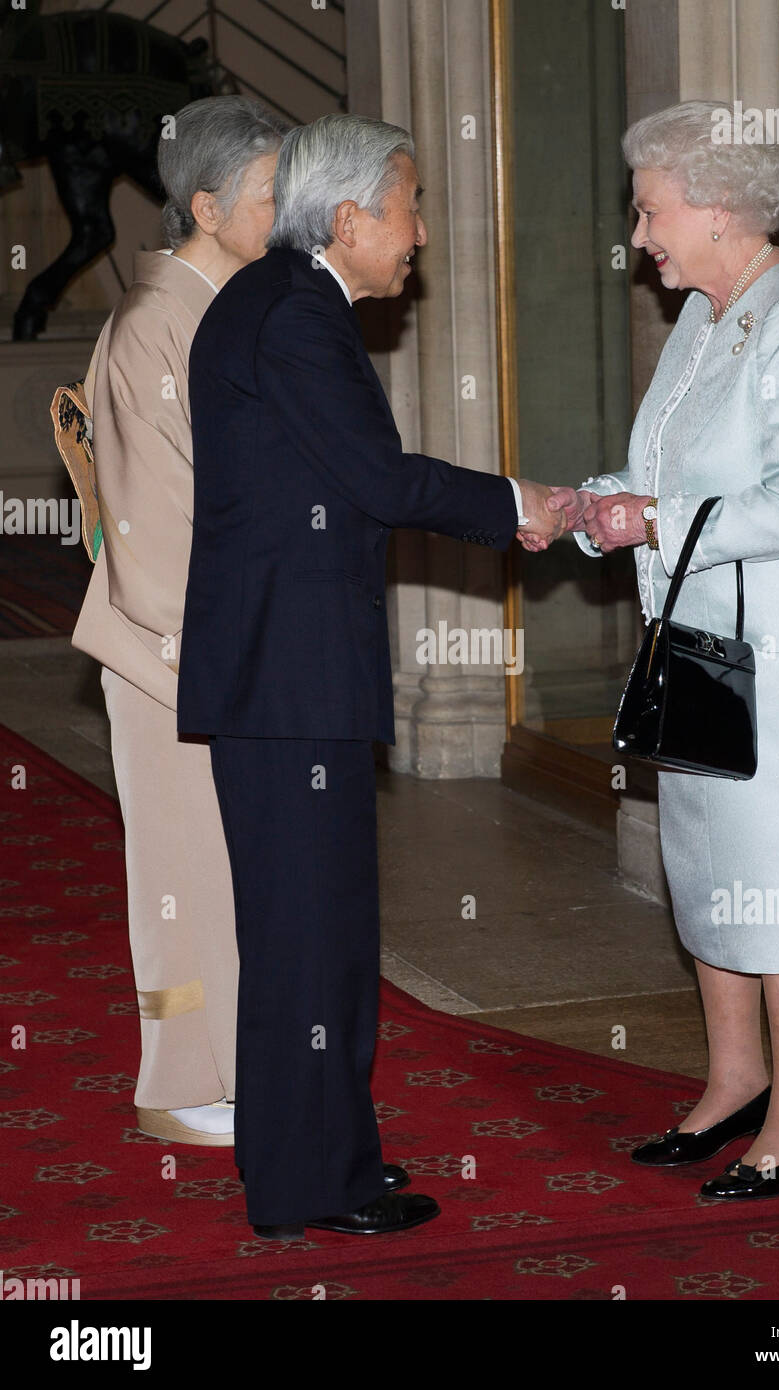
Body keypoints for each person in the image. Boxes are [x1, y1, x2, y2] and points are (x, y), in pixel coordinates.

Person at [177, 113, 573, 1236]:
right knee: (310, 942)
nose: (422, 233)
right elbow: (380, 481)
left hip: (286, 680)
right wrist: (519, 502)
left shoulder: (284, 302)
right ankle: (311, 1185)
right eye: (407, 208)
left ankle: (329, 1158)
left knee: (324, 935)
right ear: (348, 218)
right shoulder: (296, 311)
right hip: (287, 686)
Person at [539, 100, 779, 1200]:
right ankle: (735, 1077)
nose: (641, 235)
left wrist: (648, 520)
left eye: (651, 210)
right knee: (709, 868)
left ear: (717, 208)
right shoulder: (708, 317)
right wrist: (583, 504)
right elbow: (671, 474)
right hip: (702, 650)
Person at [68, 96, 291, 1145]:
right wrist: (229, 658)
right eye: (267, 194)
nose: (287, 210)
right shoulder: (160, 322)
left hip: (209, 641)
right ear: (206, 207)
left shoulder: (213, 309)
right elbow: (157, 532)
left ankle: (229, 1070)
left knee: (217, 870)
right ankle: (178, 1082)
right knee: (183, 872)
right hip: (172, 650)